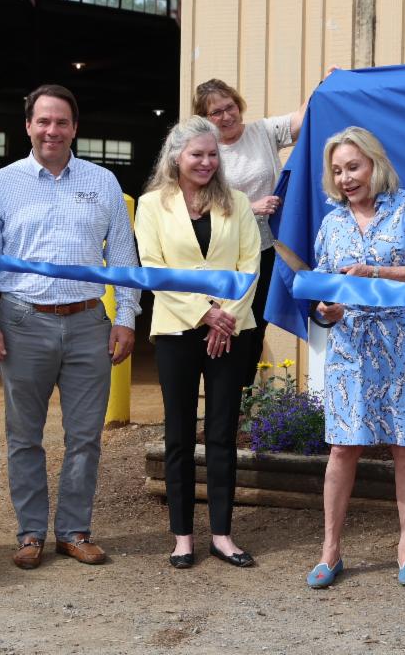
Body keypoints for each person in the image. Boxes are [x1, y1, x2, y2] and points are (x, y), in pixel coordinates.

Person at [0, 84, 139, 570]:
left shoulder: (102, 182)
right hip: (23, 321)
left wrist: (125, 316)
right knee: (24, 436)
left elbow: (124, 258)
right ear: (28, 126)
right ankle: (30, 533)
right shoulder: (2, 183)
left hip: (88, 322)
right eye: (43, 121)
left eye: (61, 122)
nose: (52, 130)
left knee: (85, 436)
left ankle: (74, 530)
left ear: (75, 128)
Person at [306, 126, 405, 589]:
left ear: (375, 164)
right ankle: (330, 550)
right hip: (353, 346)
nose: (346, 177)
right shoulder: (331, 223)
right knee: (341, 447)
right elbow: (324, 291)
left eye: (353, 166)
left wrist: (376, 271)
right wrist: (326, 308)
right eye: (337, 170)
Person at [135, 116, 261, 567]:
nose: (206, 162)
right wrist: (202, 313)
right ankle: (183, 536)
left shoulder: (238, 202)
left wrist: (225, 317)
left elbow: (250, 265)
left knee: (223, 433)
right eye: (197, 154)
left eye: (212, 154)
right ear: (176, 157)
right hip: (176, 330)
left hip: (231, 330)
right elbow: (154, 269)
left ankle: (223, 534)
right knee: (179, 436)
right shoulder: (151, 206)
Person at [193, 74, 330, 384]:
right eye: (216, 112)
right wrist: (249, 208)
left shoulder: (263, 132)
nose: (226, 116)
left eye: (230, 107)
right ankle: (221, 399)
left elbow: (301, 119)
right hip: (223, 252)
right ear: (204, 118)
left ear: (239, 106)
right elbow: (197, 202)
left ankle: (241, 400)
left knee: (254, 325)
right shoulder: (204, 150)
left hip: (265, 248)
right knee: (223, 322)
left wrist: (322, 83)